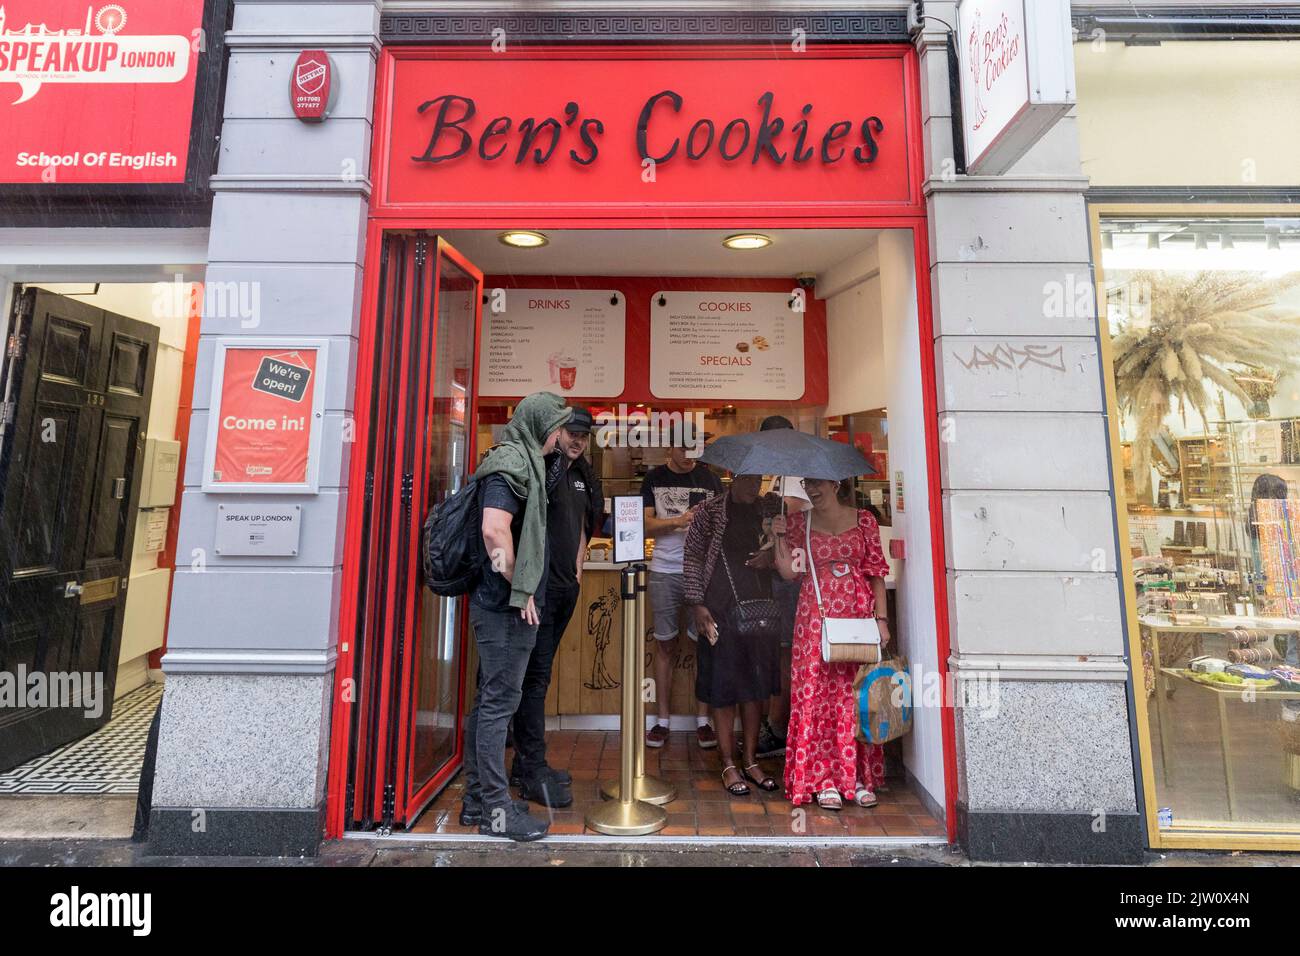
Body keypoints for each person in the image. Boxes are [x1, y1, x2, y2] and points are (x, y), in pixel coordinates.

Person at [461, 391, 572, 841]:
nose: (562, 436)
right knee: (497, 706)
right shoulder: (510, 464)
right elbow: (493, 528)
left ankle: (476, 800)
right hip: (504, 607)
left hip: (507, 605)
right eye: (559, 426)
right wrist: (517, 584)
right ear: (542, 427)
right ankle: (494, 811)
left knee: (490, 702)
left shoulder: (526, 459)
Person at [773, 476, 891, 810]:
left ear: (836, 484)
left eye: (818, 483)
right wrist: (779, 536)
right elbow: (788, 573)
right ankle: (823, 779)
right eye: (807, 483)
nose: (811, 489)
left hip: (858, 614)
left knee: (856, 695)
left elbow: (876, 572)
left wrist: (881, 620)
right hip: (816, 618)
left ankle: (855, 777)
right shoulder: (799, 522)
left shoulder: (864, 520)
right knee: (819, 697)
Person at [507, 407, 604, 807]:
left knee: (534, 677)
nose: (579, 440)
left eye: (584, 434)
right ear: (557, 431)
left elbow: (585, 524)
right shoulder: (540, 467)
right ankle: (531, 768)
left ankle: (524, 765)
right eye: (572, 432)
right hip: (537, 593)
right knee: (534, 680)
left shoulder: (584, 474)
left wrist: (578, 570)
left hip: (565, 590)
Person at [684, 473, 783, 796]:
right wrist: (697, 603)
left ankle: (751, 760)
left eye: (758, 481)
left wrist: (772, 554)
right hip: (720, 608)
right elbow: (693, 557)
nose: (754, 486)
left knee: (755, 689)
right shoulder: (710, 511)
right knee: (723, 686)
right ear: (734, 479)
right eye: (748, 480)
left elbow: (790, 549)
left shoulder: (771, 508)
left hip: (761, 610)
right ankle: (728, 762)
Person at [641, 430, 724, 749]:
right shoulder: (654, 479)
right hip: (663, 568)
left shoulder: (710, 479)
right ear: (669, 447)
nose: (689, 453)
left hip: (703, 573)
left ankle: (703, 721)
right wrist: (679, 521)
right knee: (665, 646)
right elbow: (645, 525)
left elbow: (722, 523)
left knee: (705, 644)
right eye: (683, 446)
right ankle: (662, 721)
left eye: (695, 447)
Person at [753, 414, 811, 759]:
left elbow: (790, 515)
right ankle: (777, 724)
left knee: (785, 653)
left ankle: (779, 727)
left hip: (792, 577)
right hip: (779, 573)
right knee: (777, 652)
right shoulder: (779, 475)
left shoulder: (796, 476)